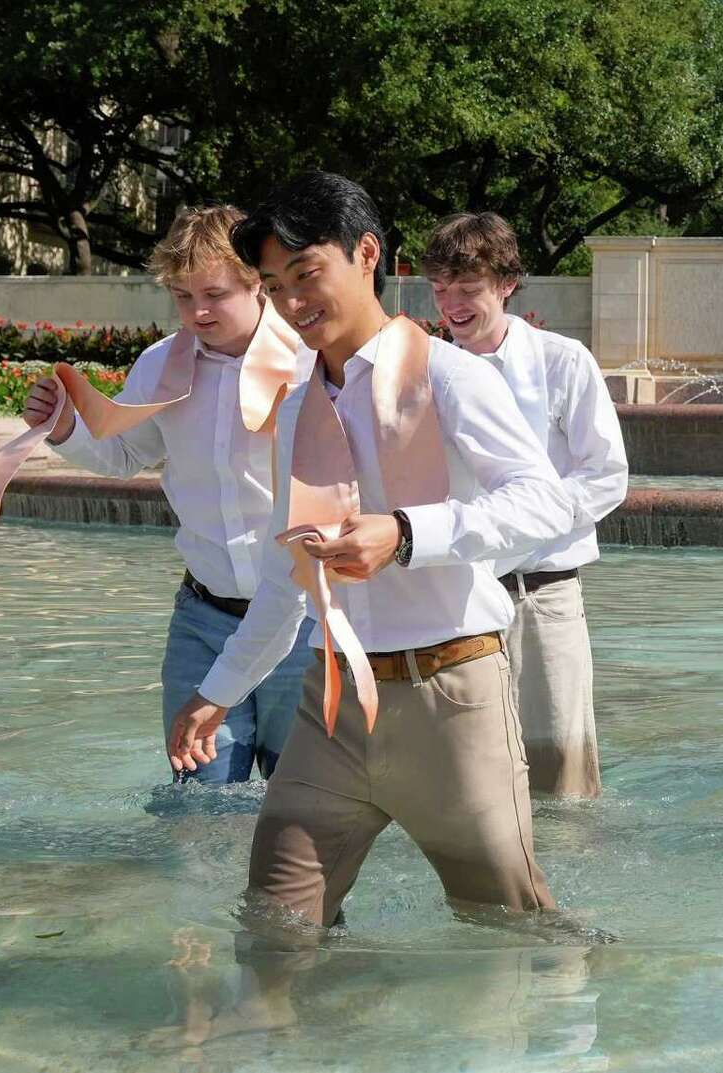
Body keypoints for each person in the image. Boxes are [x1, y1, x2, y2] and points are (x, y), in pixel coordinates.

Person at [162, 172, 573, 1039]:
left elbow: (546, 503)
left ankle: (574, 1040)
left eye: (305, 274)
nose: (291, 301)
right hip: (333, 706)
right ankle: (281, 1049)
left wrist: (409, 532)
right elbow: (287, 578)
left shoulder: (453, 378)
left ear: (366, 256)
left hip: (451, 700)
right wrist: (220, 690)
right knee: (273, 924)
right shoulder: (300, 404)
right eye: (274, 287)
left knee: (514, 931)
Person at [21, 206, 314, 785]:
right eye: (181, 296)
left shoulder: (313, 362)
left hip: (304, 623)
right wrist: (64, 431)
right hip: (202, 619)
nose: (196, 311)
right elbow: (125, 456)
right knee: (197, 802)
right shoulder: (160, 365)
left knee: (302, 805)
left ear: (258, 281)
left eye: (214, 293)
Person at [425, 211, 627, 798]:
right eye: (440, 290)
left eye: (468, 289)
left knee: (560, 772)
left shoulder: (563, 360)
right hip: (457, 599)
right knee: (465, 776)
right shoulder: (426, 370)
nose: (452, 305)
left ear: (507, 283)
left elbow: (607, 475)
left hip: (544, 592)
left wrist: (516, 526)